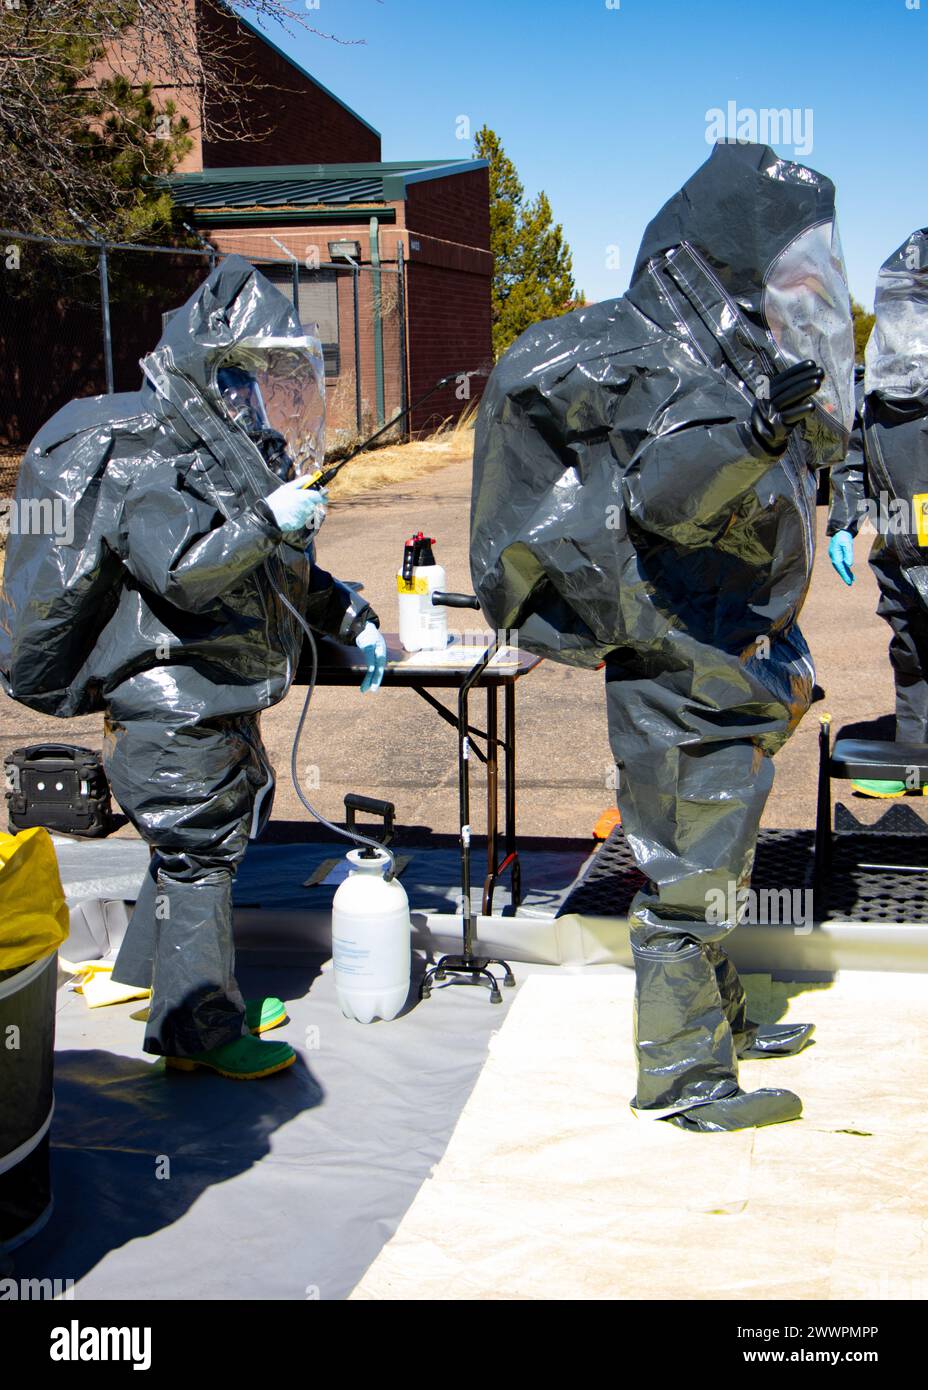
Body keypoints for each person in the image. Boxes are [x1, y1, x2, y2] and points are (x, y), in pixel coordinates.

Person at [471, 143, 854, 1131]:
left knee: (714, 860)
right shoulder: (674, 363)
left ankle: (717, 1019)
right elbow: (666, 497)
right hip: (678, 671)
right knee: (688, 881)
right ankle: (685, 1080)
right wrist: (759, 433)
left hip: (720, 660)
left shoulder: (717, 348)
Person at [0, 256, 387, 1079]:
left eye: (263, 379)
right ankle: (198, 1031)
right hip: (171, 701)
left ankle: (149, 975)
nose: (255, 395)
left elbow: (276, 573)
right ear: (206, 369)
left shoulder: (226, 450)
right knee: (198, 852)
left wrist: (350, 613)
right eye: (241, 376)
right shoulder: (151, 453)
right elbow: (185, 566)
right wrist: (266, 520)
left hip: (209, 694)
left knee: (201, 840)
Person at [828, 230, 928, 795]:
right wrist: (842, 523)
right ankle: (914, 759)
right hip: (898, 550)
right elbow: (853, 461)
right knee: (910, 653)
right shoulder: (878, 398)